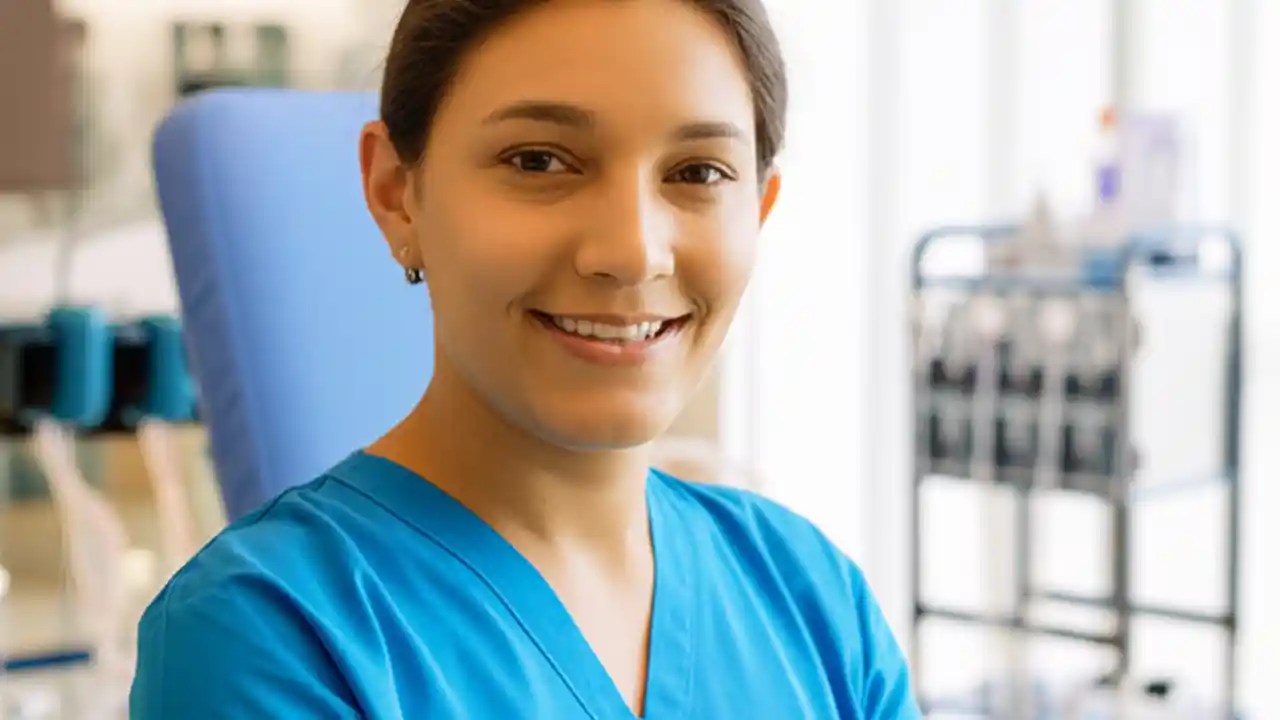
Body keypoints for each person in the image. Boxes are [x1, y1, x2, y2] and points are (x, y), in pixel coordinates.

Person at [130, 0, 922, 717]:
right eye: (540, 160)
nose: (632, 252)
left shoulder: (812, 602)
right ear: (397, 191)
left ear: (758, 210)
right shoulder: (269, 635)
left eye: (697, 173)